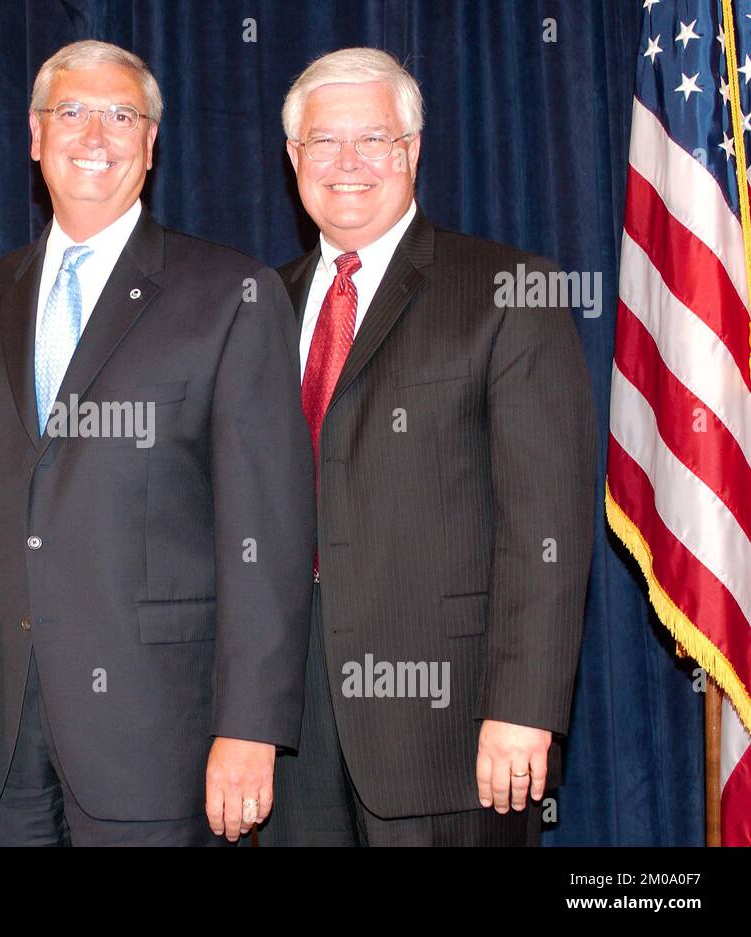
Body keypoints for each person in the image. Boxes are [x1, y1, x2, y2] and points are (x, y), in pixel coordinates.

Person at [0, 40, 314, 845]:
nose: (94, 134)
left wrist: (250, 726)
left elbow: (266, 533)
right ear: (34, 135)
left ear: (152, 142)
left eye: (121, 115)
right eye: (72, 111)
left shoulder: (230, 295)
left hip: (161, 737)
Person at [259, 48, 596, 847]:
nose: (346, 164)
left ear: (412, 151)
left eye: (373, 139)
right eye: (322, 142)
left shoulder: (509, 290)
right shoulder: (258, 308)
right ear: (292, 159)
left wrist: (523, 708)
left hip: (450, 730)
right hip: (290, 730)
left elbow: (546, 527)